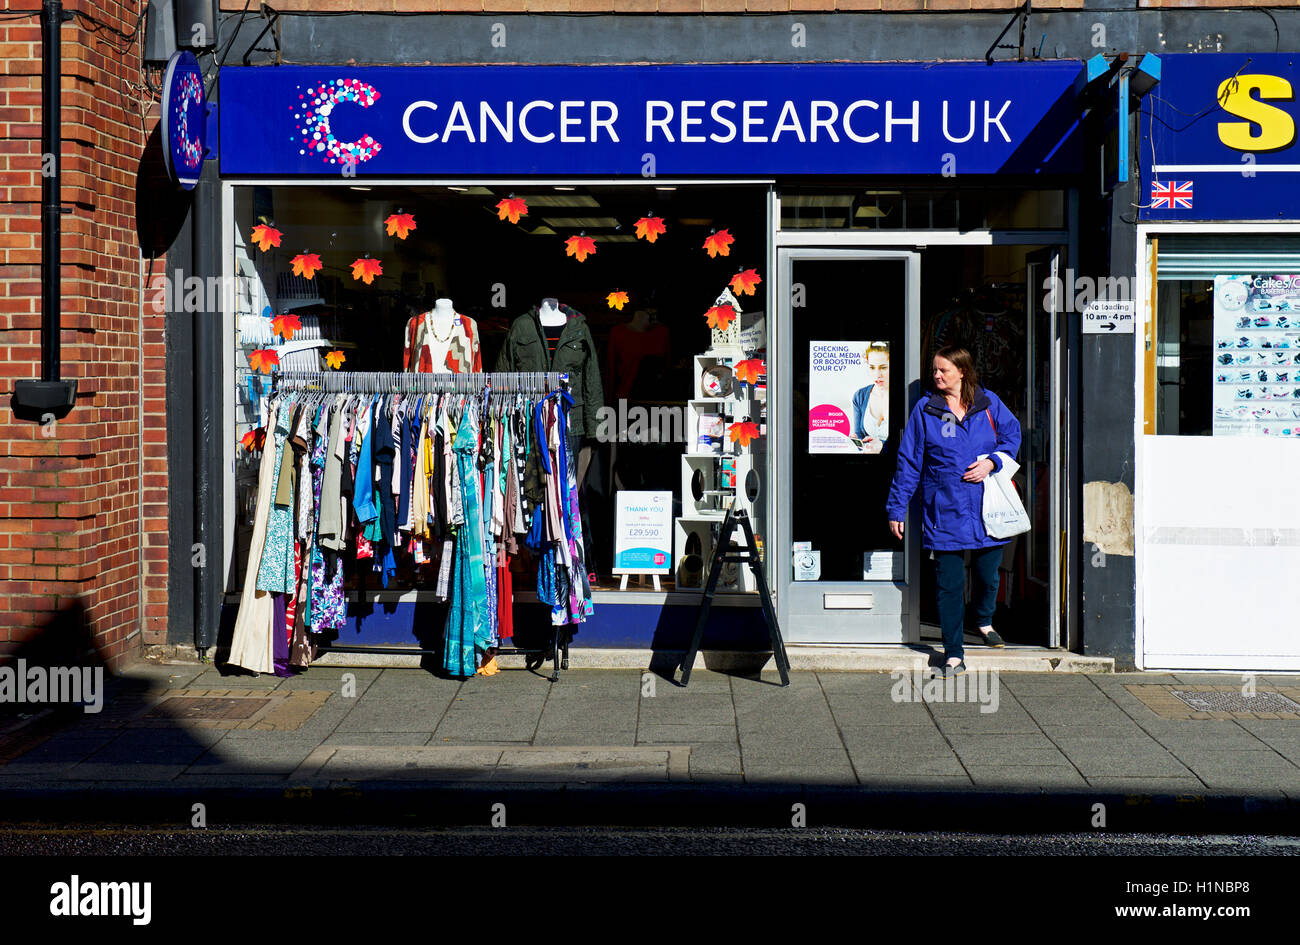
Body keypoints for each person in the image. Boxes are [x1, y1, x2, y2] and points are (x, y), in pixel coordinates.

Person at [885, 345, 1022, 676]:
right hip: (943, 509)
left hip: (986, 508)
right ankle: (954, 653)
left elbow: (1012, 436)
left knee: (988, 575)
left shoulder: (987, 403)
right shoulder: (926, 409)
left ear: (962, 371)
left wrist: (992, 461)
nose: (936, 375)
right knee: (948, 583)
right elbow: (909, 460)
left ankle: (985, 620)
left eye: (943, 370)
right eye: (934, 369)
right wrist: (897, 506)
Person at [851, 342, 890, 454]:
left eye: (883, 367)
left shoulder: (904, 396)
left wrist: (882, 445)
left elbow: (909, 442)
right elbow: (859, 436)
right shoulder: (860, 396)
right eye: (872, 367)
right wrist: (858, 442)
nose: (877, 374)